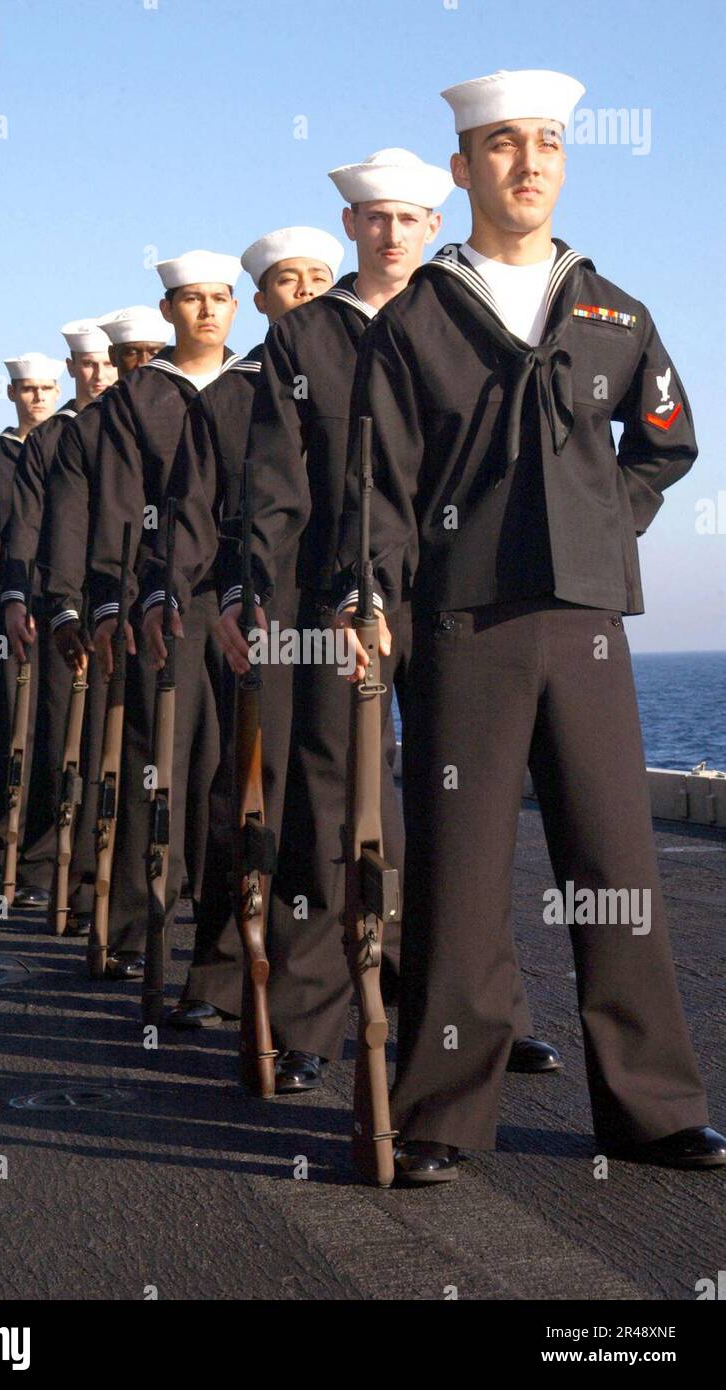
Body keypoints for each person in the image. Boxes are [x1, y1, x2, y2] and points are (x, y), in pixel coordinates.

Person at [338, 69, 725, 1181]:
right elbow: (375, 487)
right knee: (461, 879)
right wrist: (369, 597)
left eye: (547, 141)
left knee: (615, 862)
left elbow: (663, 443)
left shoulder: (613, 311)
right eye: (503, 143)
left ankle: (650, 1109)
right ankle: (443, 1119)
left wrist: (610, 524)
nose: (529, 161)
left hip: (586, 625)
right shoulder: (411, 320)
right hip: (462, 624)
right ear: (462, 169)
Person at [217, 150, 560, 1093]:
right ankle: (309, 1020)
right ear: (351, 230)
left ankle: (486, 1018)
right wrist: (259, 590)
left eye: (409, 218)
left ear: (432, 225)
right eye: (375, 219)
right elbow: (275, 480)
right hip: (329, 596)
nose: (393, 233)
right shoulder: (304, 338)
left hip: (451, 587)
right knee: (323, 804)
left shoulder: (469, 319)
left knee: (463, 814)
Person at [141, 226, 345, 1026]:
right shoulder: (232, 395)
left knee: (374, 797)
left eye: (318, 278)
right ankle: (225, 970)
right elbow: (193, 516)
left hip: (367, 608)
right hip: (269, 610)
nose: (304, 292)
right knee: (251, 792)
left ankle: (395, 966)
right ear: (259, 301)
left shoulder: (381, 372)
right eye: (286, 282)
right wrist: (196, 596)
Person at [88, 251, 240, 979]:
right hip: (165, 601)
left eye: (218, 298)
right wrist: (128, 596)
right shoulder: (135, 396)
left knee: (234, 772)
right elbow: (119, 507)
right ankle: (128, 928)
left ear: (234, 308)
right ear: (168, 310)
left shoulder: (262, 384)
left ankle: (224, 940)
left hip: (242, 596)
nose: (206, 311)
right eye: (190, 299)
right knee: (159, 767)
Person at [39, 305, 171, 935]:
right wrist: (67, 605)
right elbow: (68, 524)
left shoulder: (195, 410)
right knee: (121, 758)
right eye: (129, 357)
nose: (139, 366)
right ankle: (116, 909)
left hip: (191, 603)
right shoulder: (84, 434)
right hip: (116, 603)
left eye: (150, 353)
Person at [0, 320, 117, 907]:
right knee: (56, 739)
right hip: (62, 605)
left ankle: (113, 868)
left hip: (125, 600)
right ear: (70, 369)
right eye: (85, 364)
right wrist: (18, 598)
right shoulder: (49, 439)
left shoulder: (129, 425)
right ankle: (50, 863)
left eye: (104, 362)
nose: (96, 374)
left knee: (118, 737)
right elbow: (23, 528)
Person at [0, 352, 63, 880]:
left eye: (48, 387)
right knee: (15, 731)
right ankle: (6, 847)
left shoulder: (72, 448)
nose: (39, 397)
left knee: (59, 733)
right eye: (28, 389)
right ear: (12, 394)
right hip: (8, 615)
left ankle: (51, 852)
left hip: (63, 609)